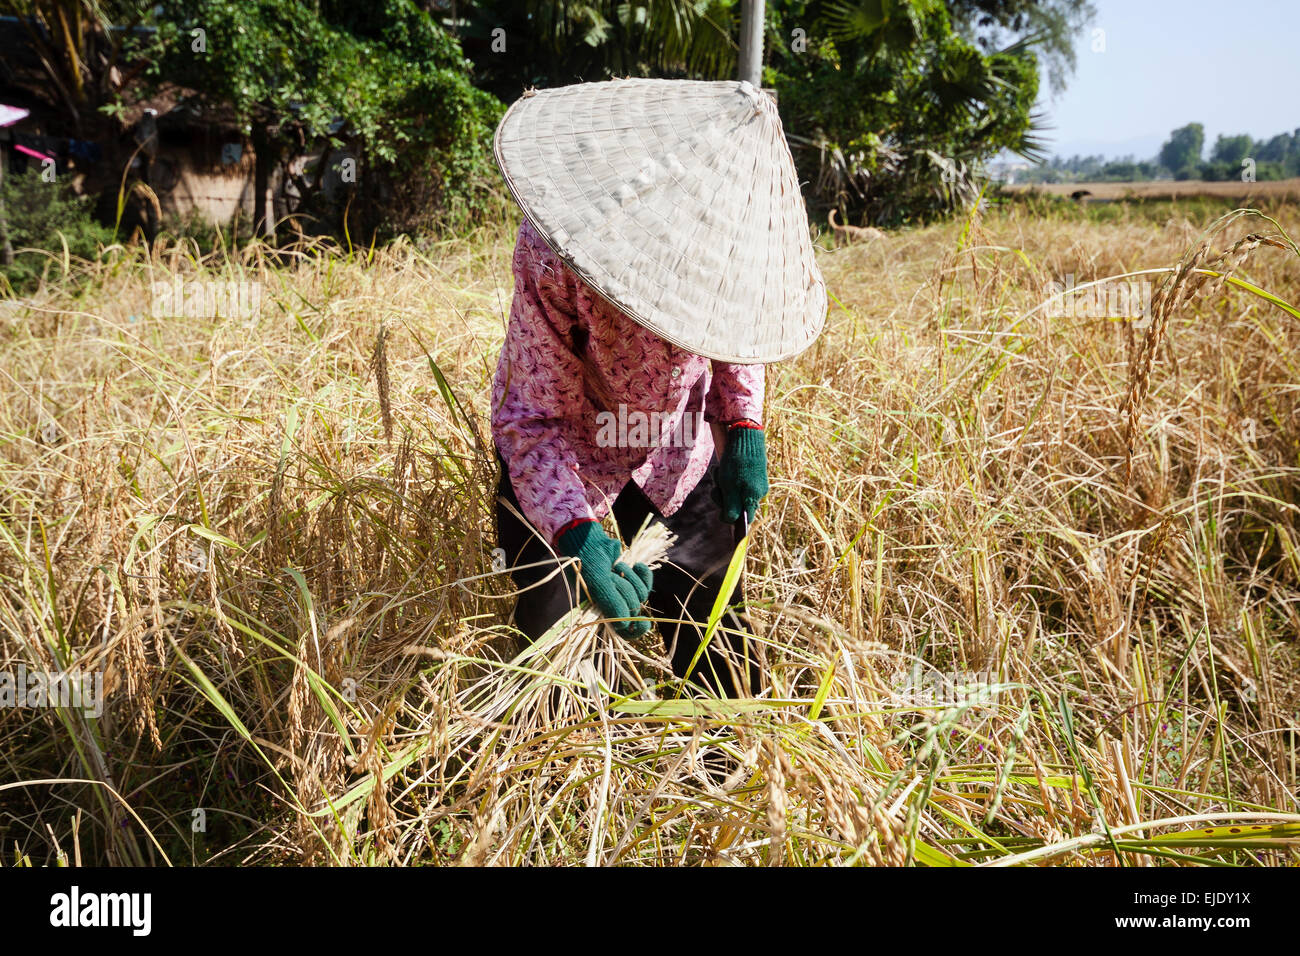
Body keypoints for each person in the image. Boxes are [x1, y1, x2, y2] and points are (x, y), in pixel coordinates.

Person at [489, 78, 827, 699]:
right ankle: (564, 775)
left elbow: (738, 328)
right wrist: (578, 534)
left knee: (716, 632)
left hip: (676, 447)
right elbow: (533, 420)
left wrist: (745, 424)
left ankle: (731, 767)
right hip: (568, 454)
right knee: (555, 637)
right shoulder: (557, 250)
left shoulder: (732, 237)